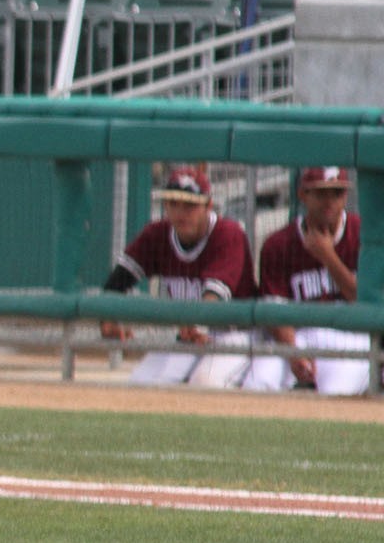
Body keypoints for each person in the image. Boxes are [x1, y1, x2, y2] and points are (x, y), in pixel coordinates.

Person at [97, 166, 258, 387]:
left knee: (206, 382)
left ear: (208, 205)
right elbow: (117, 281)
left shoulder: (228, 234)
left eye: (190, 205)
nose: (181, 213)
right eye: (174, 204)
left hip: (233, 335)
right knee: (140, 382)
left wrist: (196, 323)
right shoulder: (157, 235)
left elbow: (214, 297)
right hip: (188, 336)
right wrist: (107, 319)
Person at [241, 167, 368, 394]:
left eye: (336, 193)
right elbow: (275, 310)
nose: (329, 201)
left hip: (350, 335)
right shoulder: (278, 244)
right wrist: (293, 352)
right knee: (255, 385)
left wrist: (328, 257)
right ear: (302, 195)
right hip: (296, 334)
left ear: (346, 196)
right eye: (320, 194)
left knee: (335, 393)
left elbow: (367, 305)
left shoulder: (364, 237)